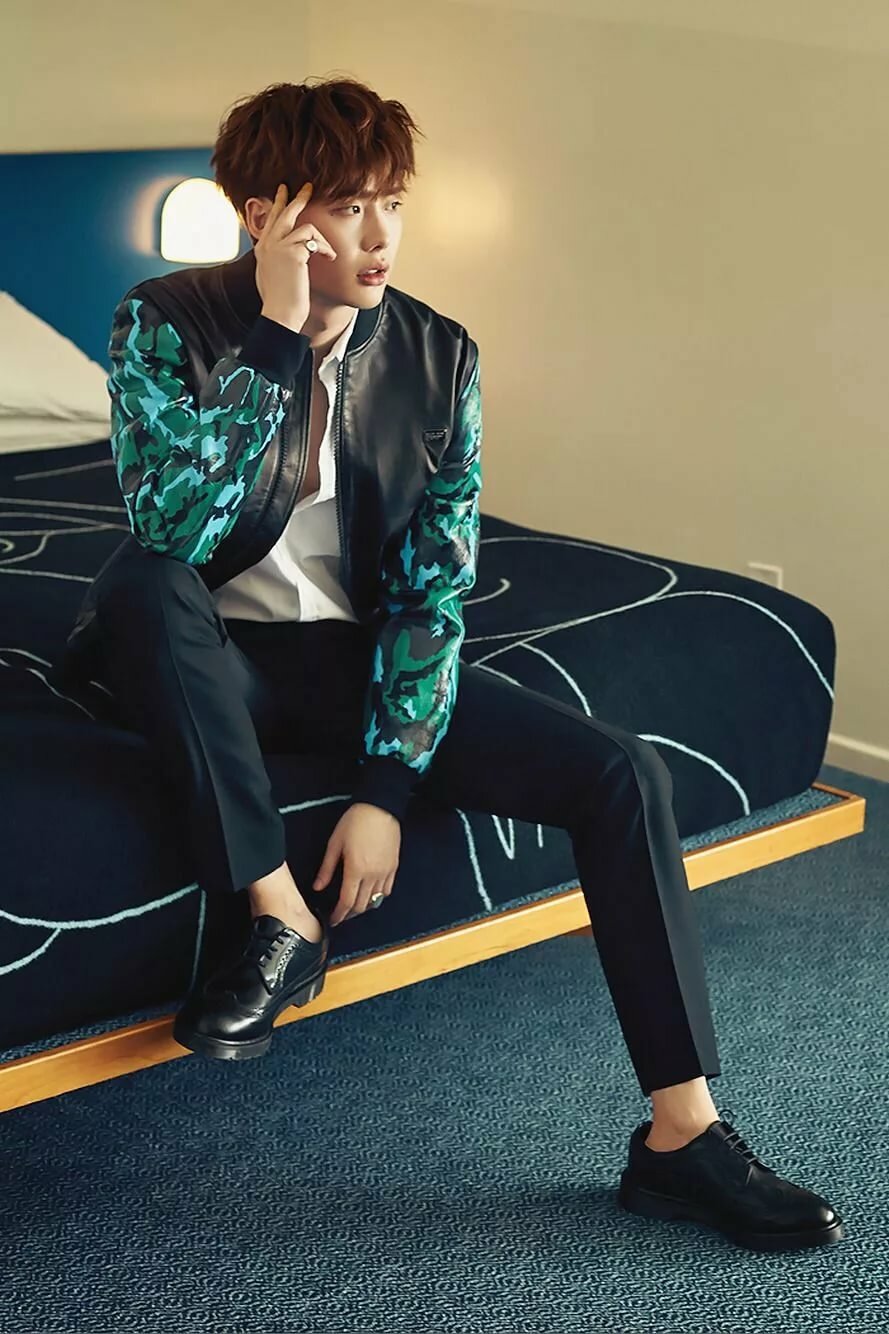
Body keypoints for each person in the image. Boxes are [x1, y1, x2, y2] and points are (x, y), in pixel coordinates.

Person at [55, 77, 842, 1252]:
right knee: (141, 580)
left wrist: (385, 790)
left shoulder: (438, 354)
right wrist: (273, 340)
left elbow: (433, 588)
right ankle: (274, 909)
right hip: (203, 657)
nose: (380, 235)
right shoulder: (162, 321)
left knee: (621, 773)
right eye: (347, 207)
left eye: (393, 203)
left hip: (351, 663)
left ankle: (681, 1134)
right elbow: (172, 526)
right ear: (266, 217)